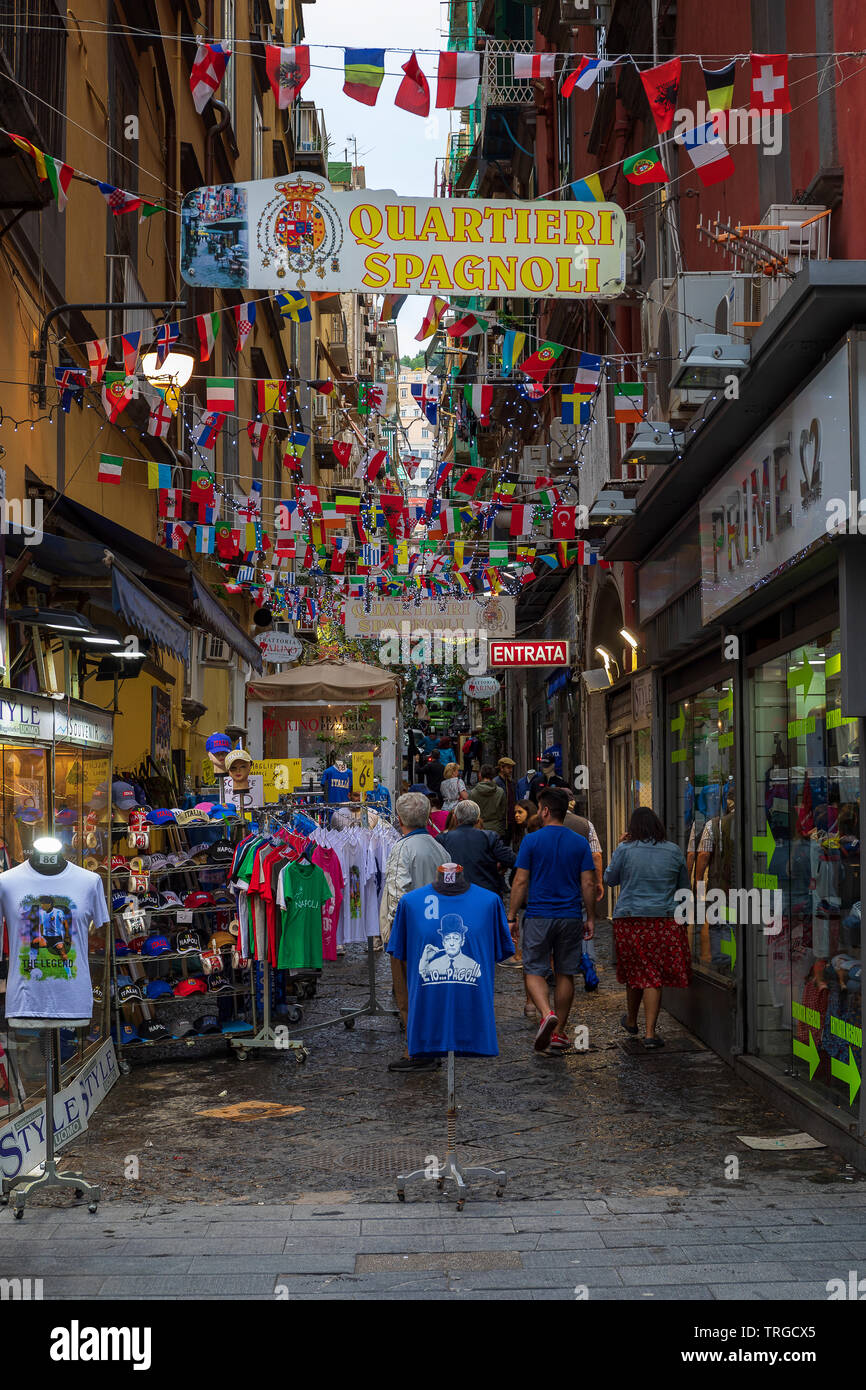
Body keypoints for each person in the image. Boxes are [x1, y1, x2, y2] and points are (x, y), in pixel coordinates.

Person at [508, 786, 596, 1054]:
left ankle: (546, 1014)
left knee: (534, 969)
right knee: (565, 972)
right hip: (570, 916)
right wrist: (590, 916)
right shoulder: (579, 842)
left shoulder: (531, 841)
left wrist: (511, 916)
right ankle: (559, 1033)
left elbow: (521, 881)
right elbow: (589, 883)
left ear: (544, 811)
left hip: (538, 916)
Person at [603, 806, 691, 1048]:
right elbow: (684, 888)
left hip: (629, 919)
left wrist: (618, 848)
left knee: (638, 971)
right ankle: (640, 1025)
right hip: (662, 920)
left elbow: (610, 879)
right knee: (652, 974)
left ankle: (643, 1029)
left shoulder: (625, 849)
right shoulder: (673, 851)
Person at [379, 791, 449, 1072]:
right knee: (428, 992)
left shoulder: (402, 849)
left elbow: (398, 895)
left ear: (399, 820)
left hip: (409, 934)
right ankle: (429, 1046)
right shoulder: (439, 847)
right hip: (435, 930)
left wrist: (395, 933)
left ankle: (417, 1051)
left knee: (406, 994)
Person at [436, 799, 516, 896]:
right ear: (478, 820)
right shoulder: (489, 837)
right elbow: (511, 860)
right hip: (485, 892)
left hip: (455, 892)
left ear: (455, 818)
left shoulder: (443, 839)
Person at [469, 764, 507, 837]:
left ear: (480, 775)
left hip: (479, 828)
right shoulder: (500, 791)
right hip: (495, 828)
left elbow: (471, 814)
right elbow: (503, 811)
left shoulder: (473, 793)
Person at [495, 757, 518, 845]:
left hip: (510, 820)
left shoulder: (511, 782)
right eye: (508, 768)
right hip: (502, 822)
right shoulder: (496, 783)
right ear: (501, 768)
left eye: (511, 768)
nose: (511, 770)